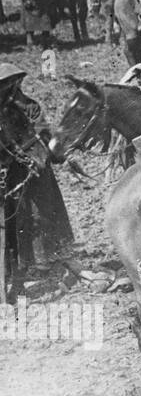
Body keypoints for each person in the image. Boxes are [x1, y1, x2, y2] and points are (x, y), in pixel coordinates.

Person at [0, 63, 74, 269]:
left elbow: (42, 130)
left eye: (11, 83)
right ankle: (19, 260)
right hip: (12, 169)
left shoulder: (30, 106)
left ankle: (46, 257)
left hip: (36, 164)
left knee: (41, 211)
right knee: (16, 213)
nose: (9, 88)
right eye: (4, 84)